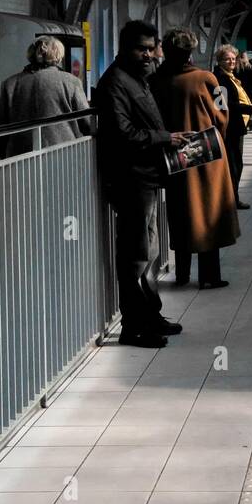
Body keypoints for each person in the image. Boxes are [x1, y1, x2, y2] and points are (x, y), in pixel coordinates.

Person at [93, 20, 187, 348]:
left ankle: (151, 315)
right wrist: (165, 137)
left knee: (149, 250)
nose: (148, 55)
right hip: (130, 178)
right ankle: (134, 326)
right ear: (125, 48)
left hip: (145, 176)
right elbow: (121, 134)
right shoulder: (116, 83)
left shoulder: (137, 79)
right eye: (141, 49)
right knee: (135, 255)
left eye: (151, 48)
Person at [150, 29, 239, 290]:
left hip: (174, 155)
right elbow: (223, 114)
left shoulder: (155, 81)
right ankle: (210, 276)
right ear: (190, 52)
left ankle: (182, 274)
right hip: (208, 155)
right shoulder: (208, 78)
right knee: (209, 213)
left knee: (182, 211)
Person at [0, 35, 90, 158]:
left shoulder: (10, 84)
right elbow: (87, 123)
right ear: (59, 56)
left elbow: (0, 125)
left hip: (19, 160)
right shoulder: (71, 82)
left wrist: (4, 153)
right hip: (64, 157)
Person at [213, 44, 252, 210]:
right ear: (220, 60)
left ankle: (232, 198)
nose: (231, 61)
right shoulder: (220, 79)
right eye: (227, 59)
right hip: (229, 129)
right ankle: (231, 199)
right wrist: (249, 108)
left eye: (234, 59)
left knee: (236, 164)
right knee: (233, 165)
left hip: (236, 126)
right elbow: (222, 105)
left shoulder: (230, 77)